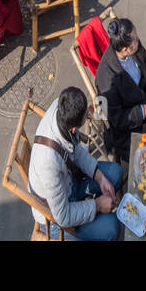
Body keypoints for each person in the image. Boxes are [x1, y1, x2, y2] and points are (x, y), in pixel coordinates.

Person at [28, 88, 122, 240]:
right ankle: (95, 219)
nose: (88, 116)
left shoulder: (60, 108)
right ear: (73, 128)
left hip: (70, 183)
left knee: (115, 173)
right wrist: (97, 205)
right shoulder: (48, 162)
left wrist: (100, 178)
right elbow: (63, 217)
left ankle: (99, 208)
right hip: (56, 218)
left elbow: (76, 150)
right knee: (111, 228)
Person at [94, 17, 146, 161]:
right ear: (125, 50)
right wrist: (143, 111)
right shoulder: (106, 77)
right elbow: (117, 119)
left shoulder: (135, 49)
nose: (138, 41)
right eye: (135, 40)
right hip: (127, 131)